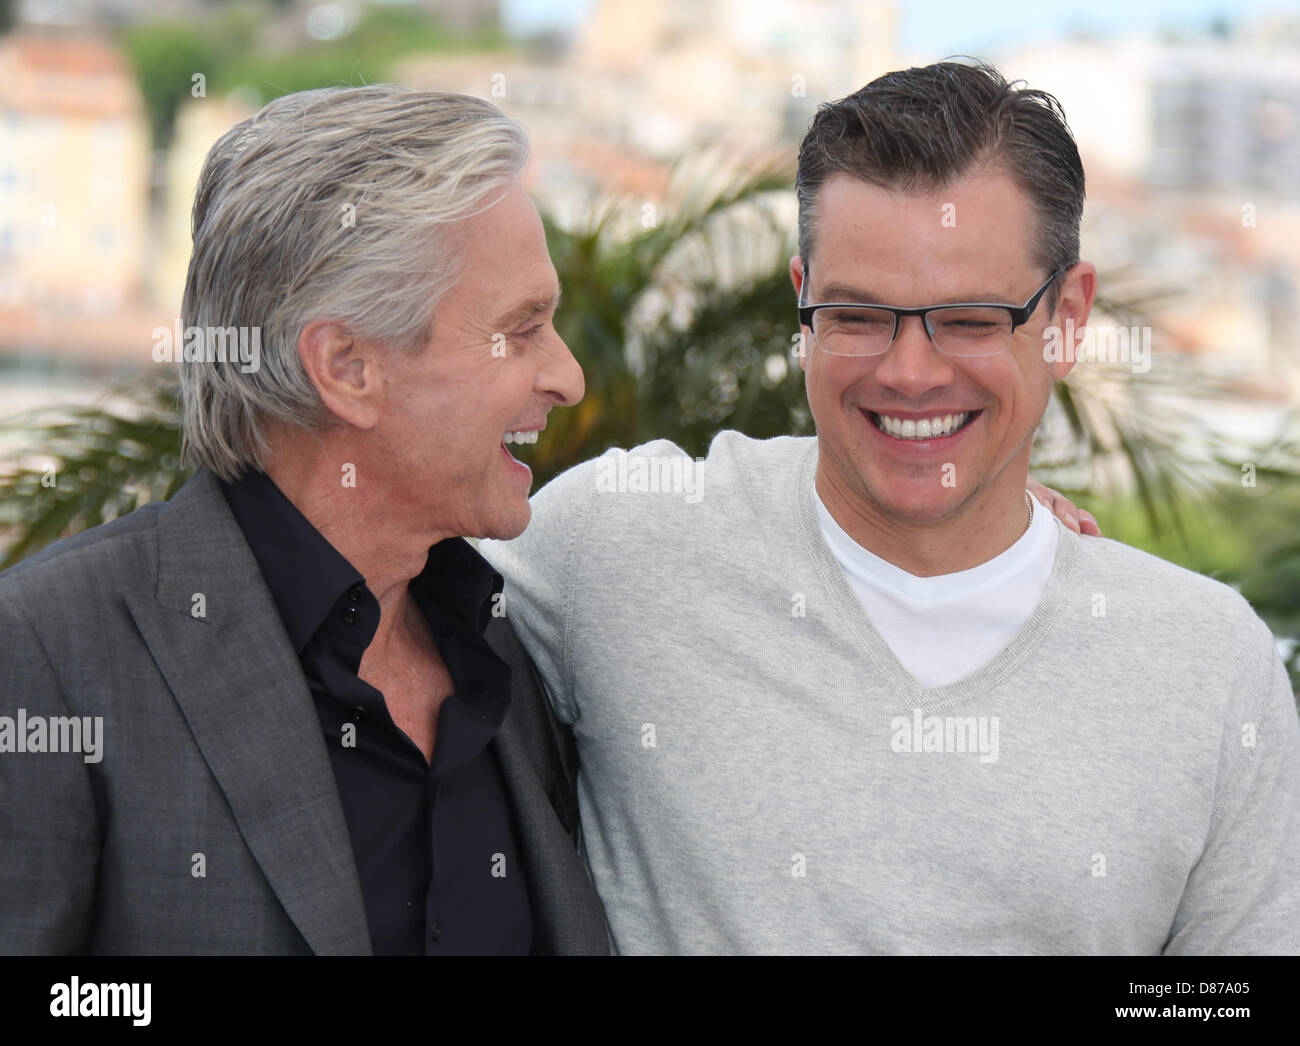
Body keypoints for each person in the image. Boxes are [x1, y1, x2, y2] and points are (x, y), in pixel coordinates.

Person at [482, 61, 1300, 955]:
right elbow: (345, 583)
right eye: (859, 316)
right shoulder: (617, 543)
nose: (911, 373)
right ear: (803, 305)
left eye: (972, 319)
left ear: (1066, 317)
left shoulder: (1210, 664)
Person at [0, 86, 608, 955]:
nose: (568, 377)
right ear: (346, 367)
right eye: (523, 329)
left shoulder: (507, 650)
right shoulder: (48, 653)